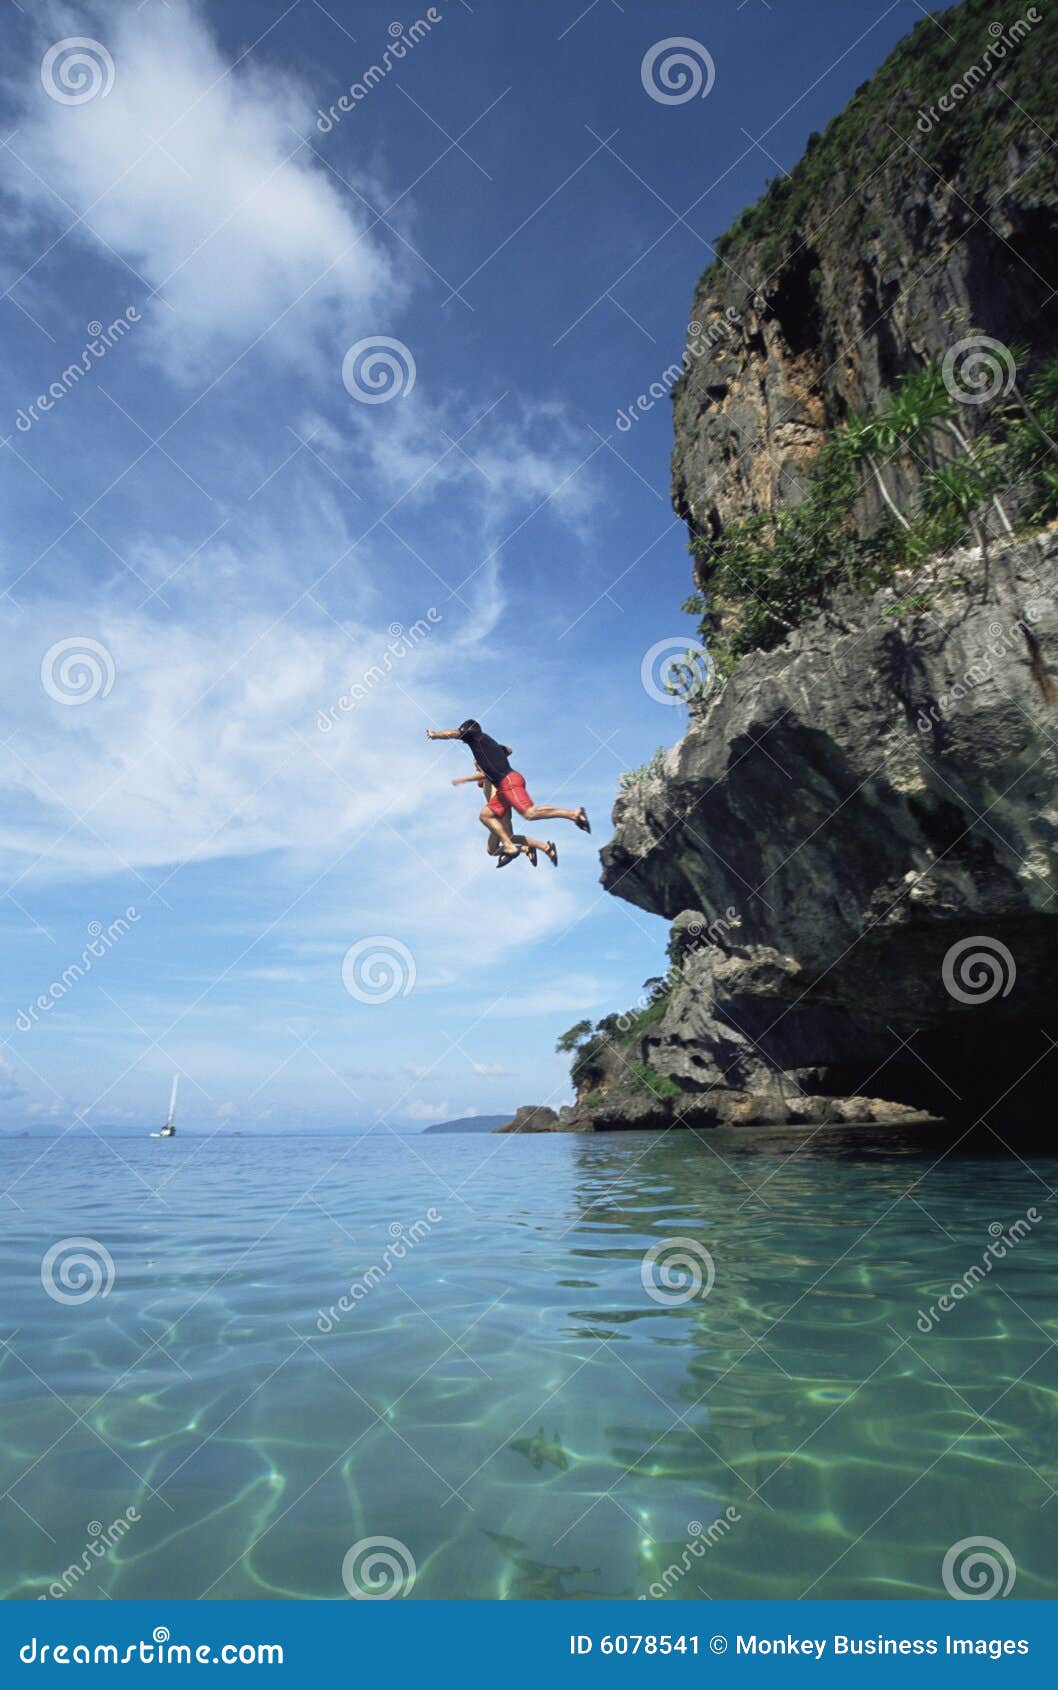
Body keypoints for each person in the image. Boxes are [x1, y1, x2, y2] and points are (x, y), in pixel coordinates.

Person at [427, 720, 590, 861]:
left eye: (462, 734)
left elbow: (452, 733)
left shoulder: (478, 740)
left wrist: (435, 735)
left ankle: (573, 814)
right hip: (504, 789)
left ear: (469, 732)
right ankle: (511, 846)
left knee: (529, 813)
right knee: (484, 815)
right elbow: (505, 753)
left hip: (509, 781)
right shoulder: (485, 746)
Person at [452, 768, 559, 868]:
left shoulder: (489, 772)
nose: (475, 765)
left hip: (498, 811)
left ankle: (537, 848)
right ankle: (536, 848)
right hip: (497, 810)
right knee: (503, 842)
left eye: (476, 762)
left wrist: (464, 779)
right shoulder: (484, 777)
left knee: (498, 846)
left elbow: (495, 788)